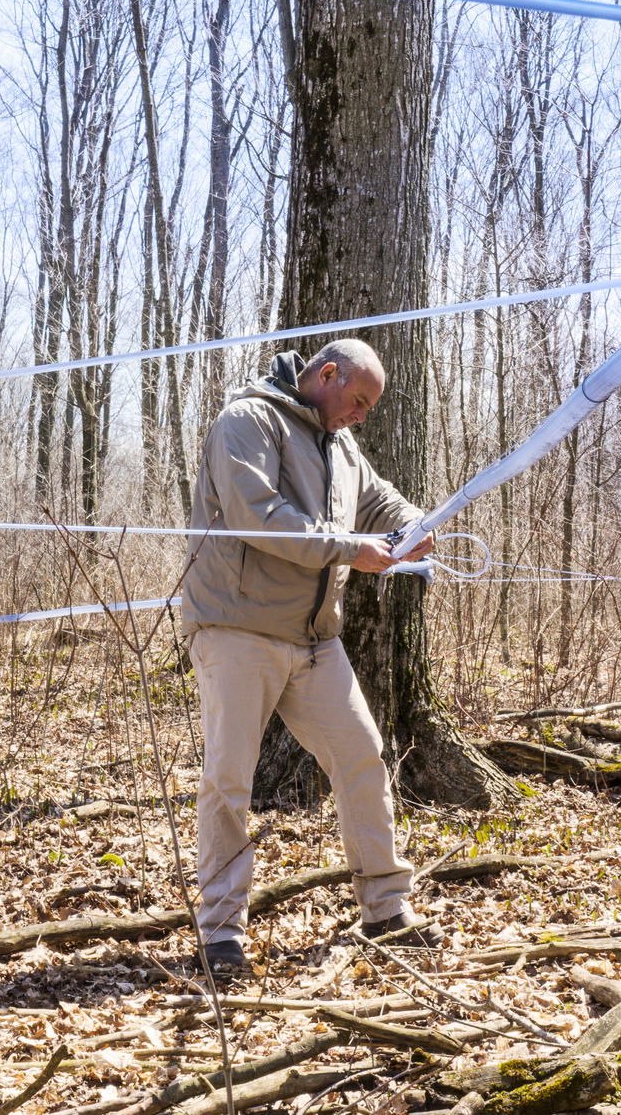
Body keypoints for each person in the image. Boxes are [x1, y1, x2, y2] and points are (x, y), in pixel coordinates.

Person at [179, 337, 440, 974]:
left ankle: (384, 906)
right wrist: (352, 548)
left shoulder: (339, 442)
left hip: (315, 640)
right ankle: (220, 934)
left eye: (368, 407)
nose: (361, 415)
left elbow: (376, 500)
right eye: (356, 400)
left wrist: (414, 522)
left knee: (360, 757)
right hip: (237, 628)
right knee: (229, 781)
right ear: (326, 375)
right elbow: (259, 515)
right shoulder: (248, 421)